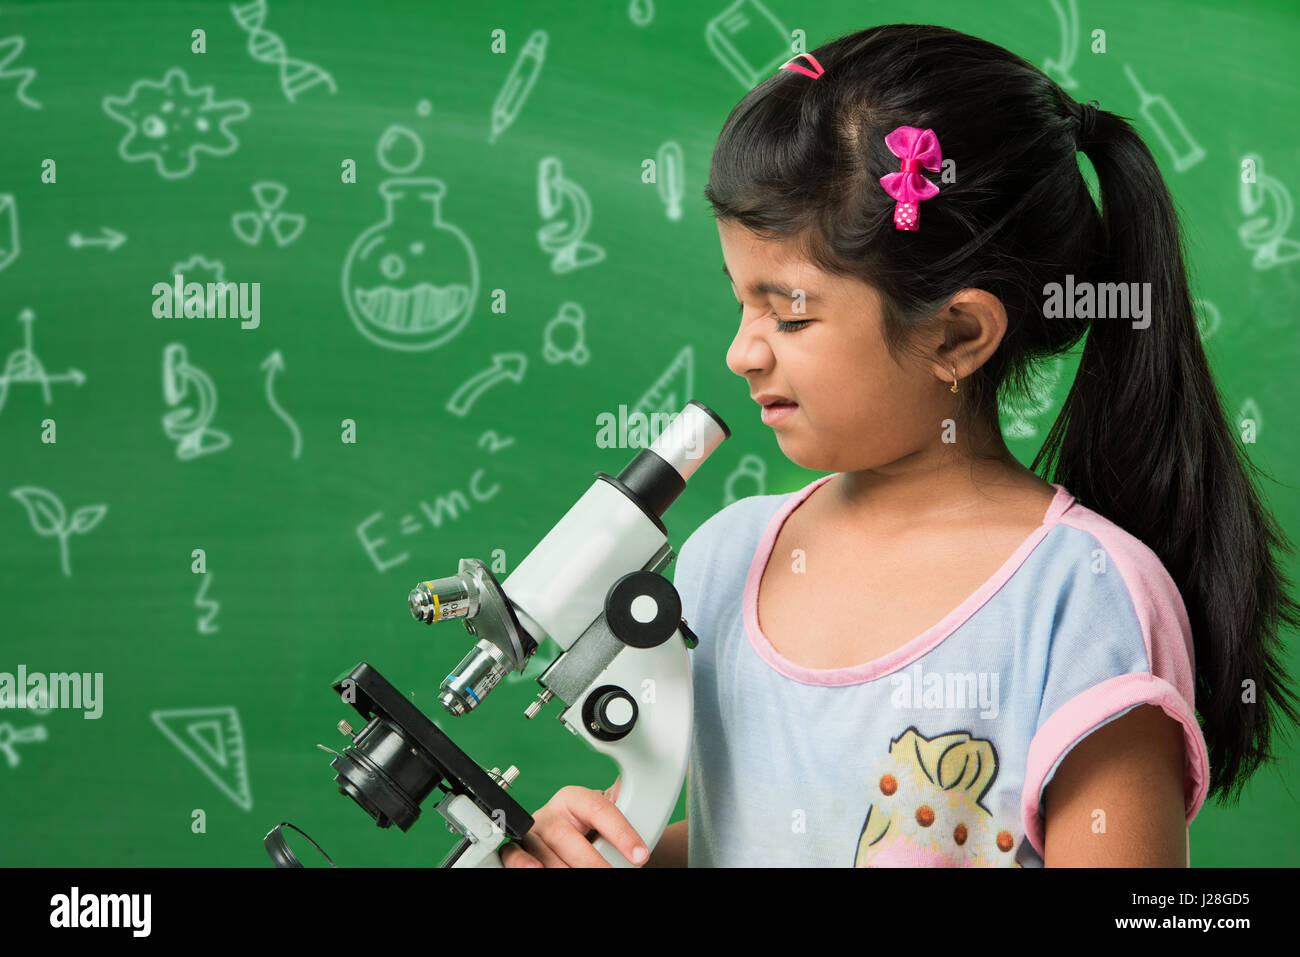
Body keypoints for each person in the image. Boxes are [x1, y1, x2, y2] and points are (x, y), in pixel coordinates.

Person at [500, 23, 1299, 868]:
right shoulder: (723, 560)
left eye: (791, 312)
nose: (743, 350)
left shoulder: (1082, 598)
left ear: (957, 333)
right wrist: (610, 857)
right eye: (740, 301)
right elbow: (766, 836)